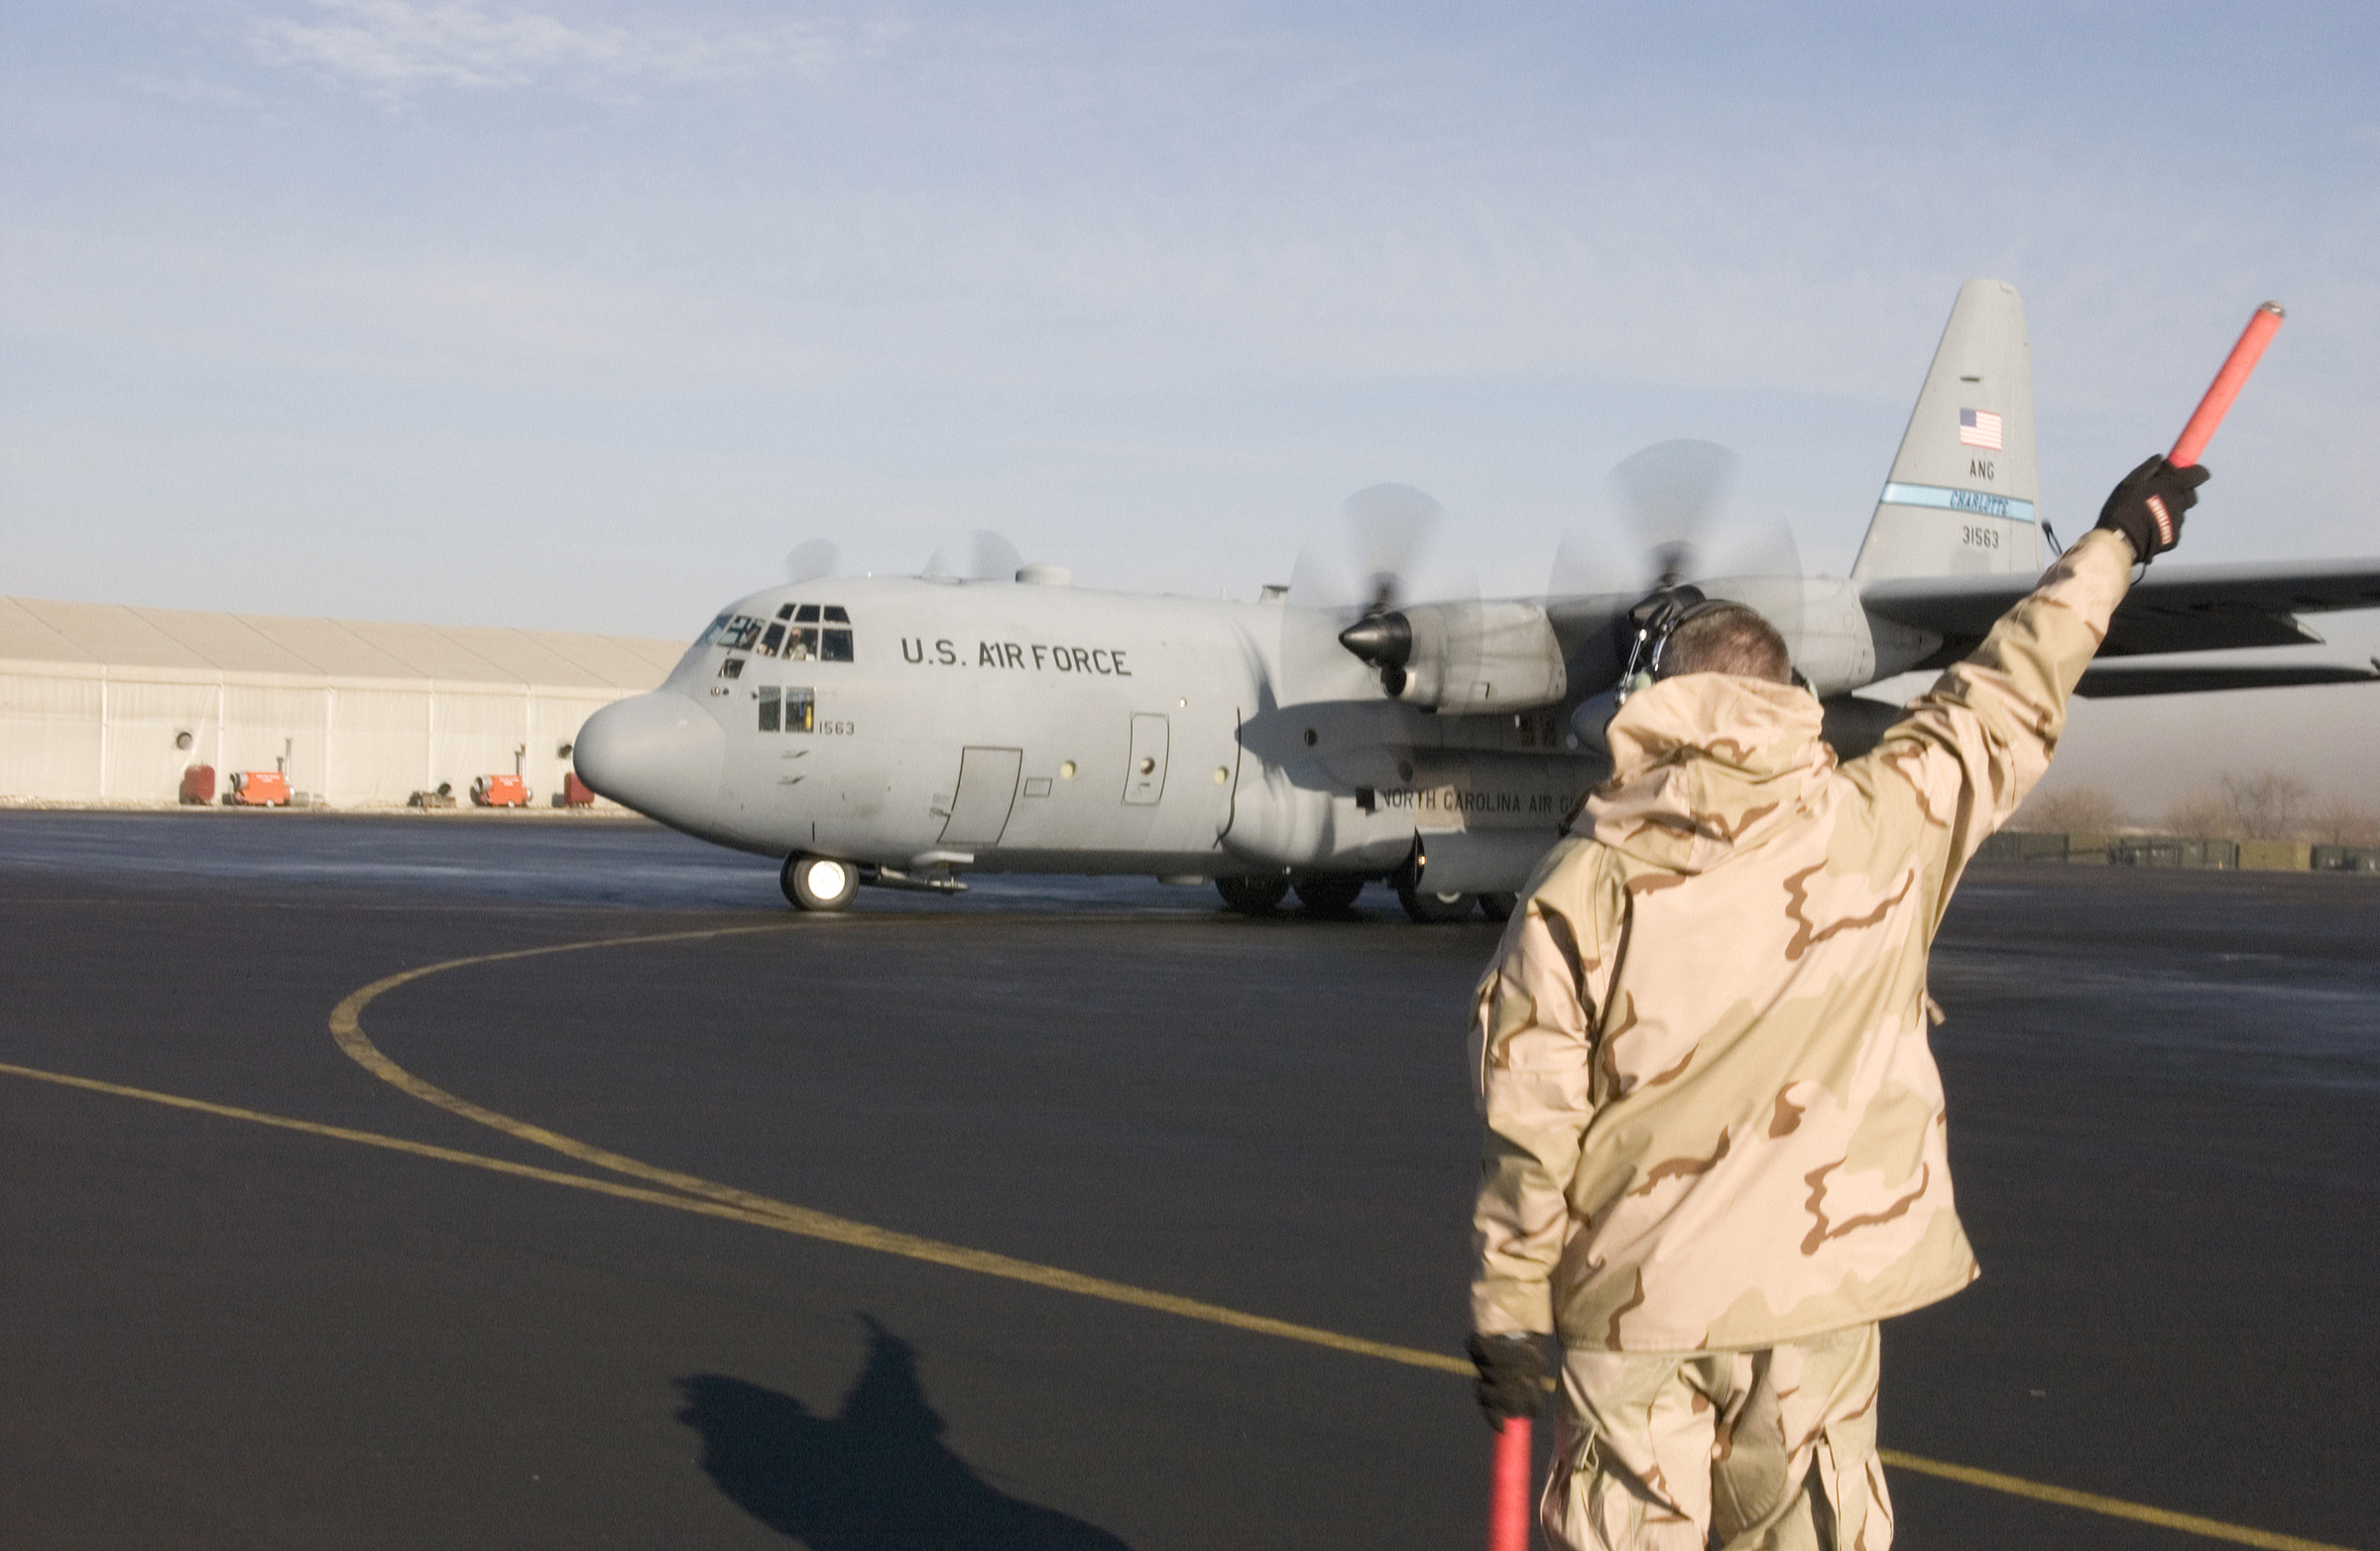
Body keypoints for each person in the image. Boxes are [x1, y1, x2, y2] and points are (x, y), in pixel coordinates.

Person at [1464, 456, 2210, 1550]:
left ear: (1660, 701)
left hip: (1638, 1312)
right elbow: (2010, 688)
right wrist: (2118, 544)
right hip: (1817, 1305)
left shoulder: (1581, 884)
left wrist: (1509, 1313)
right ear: (1787, 698)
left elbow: (1532, 1127)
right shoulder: (1885, 821)